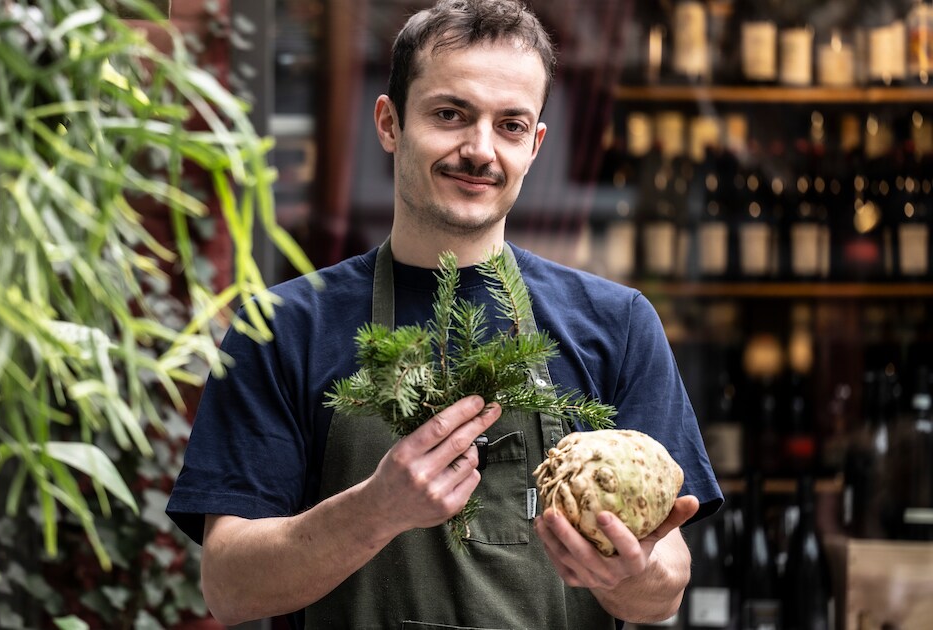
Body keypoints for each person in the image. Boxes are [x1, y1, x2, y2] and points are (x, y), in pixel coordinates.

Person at [166, 1, 724, 627]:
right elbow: (230, 585)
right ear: (389, 123)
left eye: (511, 125)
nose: (479, 150)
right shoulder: (281, 327)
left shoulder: (616, 323)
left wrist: (632, 574)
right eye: (450, 114)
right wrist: (375, 510)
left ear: (535, 145)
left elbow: (665, 588)